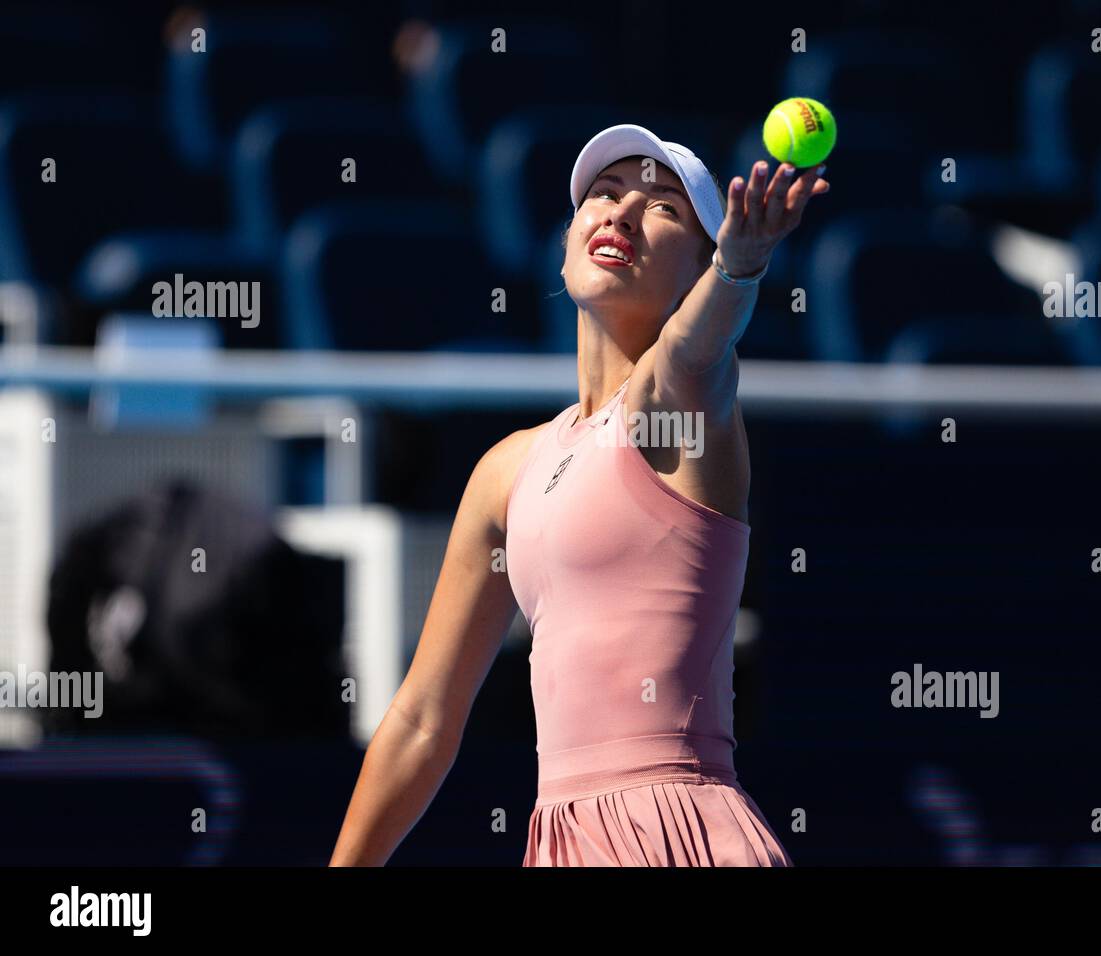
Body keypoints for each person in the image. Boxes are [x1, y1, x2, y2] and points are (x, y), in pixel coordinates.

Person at [329, 123, 829, 866]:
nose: (623, 211)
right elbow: (423, 719)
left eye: (662, 208)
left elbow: (695, 348)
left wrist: (739, 268)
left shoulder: (679, 407)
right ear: (565, 243)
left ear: (697, 271)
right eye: (605, 192)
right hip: (563, 842)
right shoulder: (505, 472)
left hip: (681, 833)